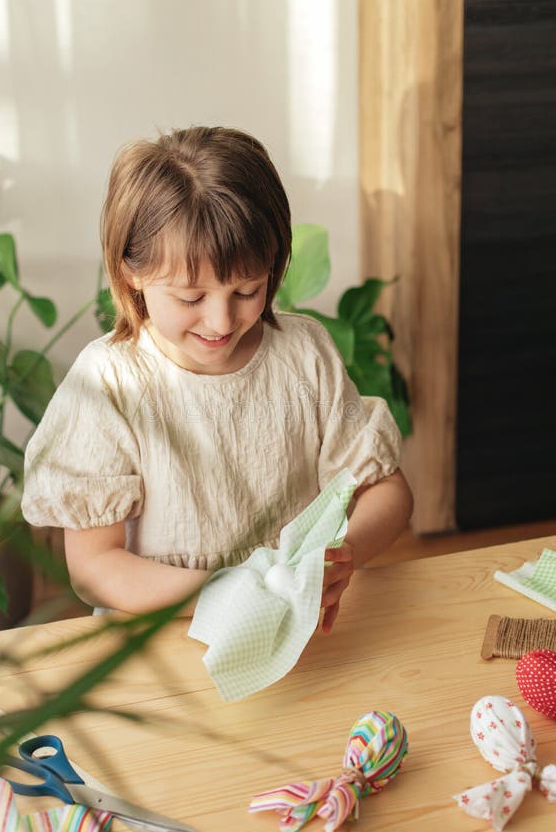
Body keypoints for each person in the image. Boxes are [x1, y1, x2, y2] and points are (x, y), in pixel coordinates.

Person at [22, 126, 413, 633]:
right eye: (190, 299)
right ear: (130, 274)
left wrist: (346, 554)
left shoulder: (303, 355)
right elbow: (95, 570)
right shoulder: (110, 385)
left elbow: (388, 491)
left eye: (248, 290)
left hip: (294, 631)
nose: (222, 321)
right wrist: (231, 596)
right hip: (160, 638)